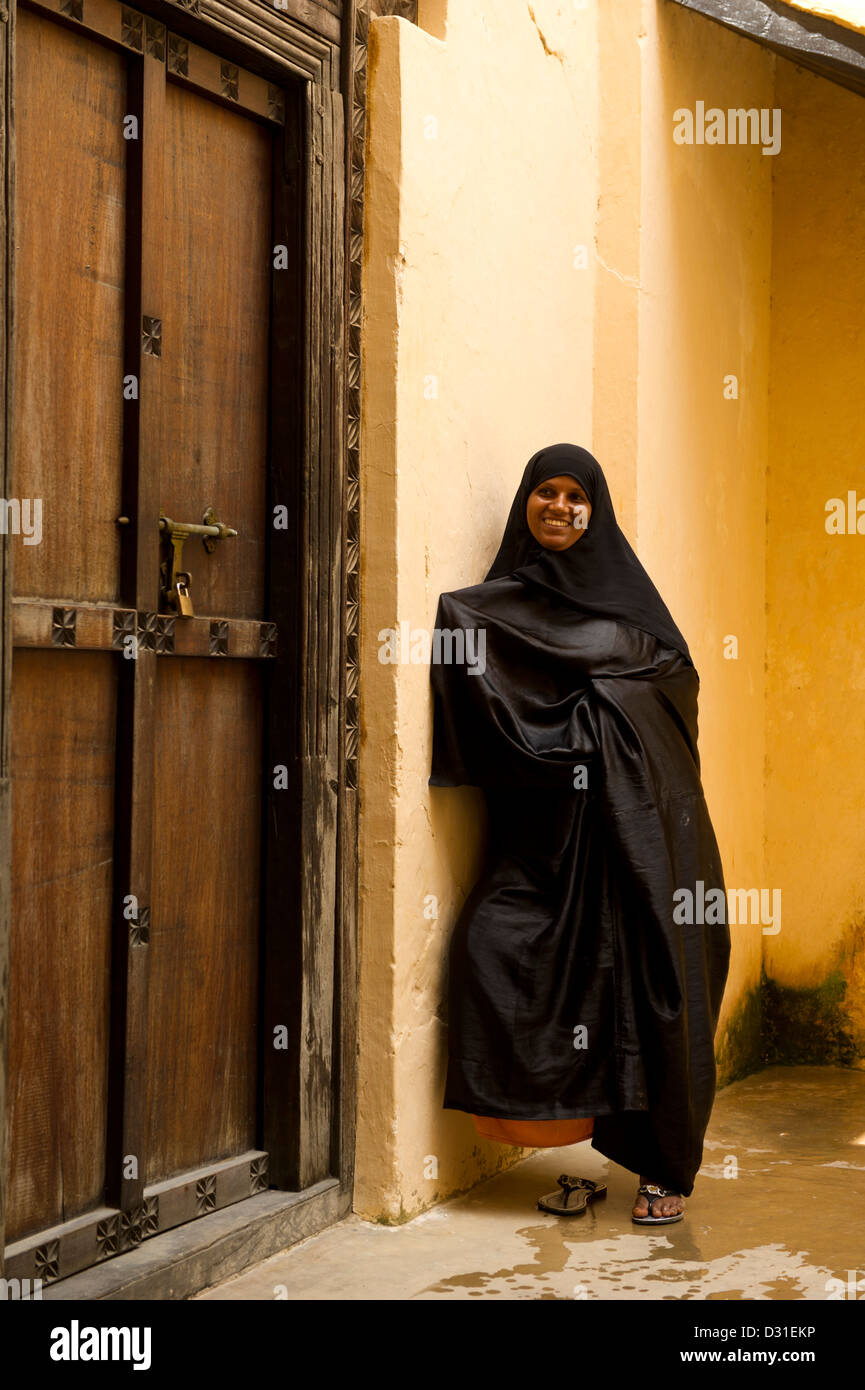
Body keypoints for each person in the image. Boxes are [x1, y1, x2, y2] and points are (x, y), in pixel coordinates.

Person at [428, 443, 730, 1225]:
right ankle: (547, 1121)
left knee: (655, 981)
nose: (558, 507)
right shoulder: (486, 610)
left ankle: (665, 1167)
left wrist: (598, 714)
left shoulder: (637, 615)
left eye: (574, 496)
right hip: (545, 834)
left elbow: (671, 699)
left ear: (595, 510)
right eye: (544, 492)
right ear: (524, 502)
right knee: (491, 946)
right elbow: (481, 708)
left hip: (642, 831)